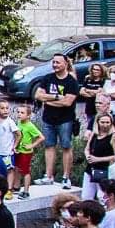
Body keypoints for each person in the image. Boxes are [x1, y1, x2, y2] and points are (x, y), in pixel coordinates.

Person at [33, 55, 80, 189]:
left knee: (66, 146)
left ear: (65, 64)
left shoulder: (71, 82)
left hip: (65, 120)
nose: (55, 65)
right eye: (53, 62)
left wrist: (47, 100)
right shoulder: (48, 78)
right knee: (49, 146)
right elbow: (38, 95)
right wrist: (57, 97)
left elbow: (68, 102)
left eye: (58, 62)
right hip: (48, 118)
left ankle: (66, 177)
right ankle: (48, 176)